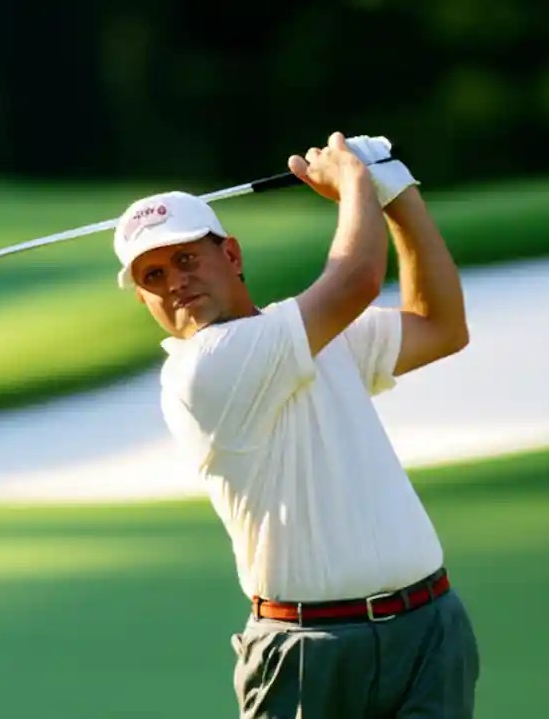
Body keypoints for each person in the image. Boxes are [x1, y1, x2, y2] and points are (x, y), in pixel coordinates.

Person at [111, 132, 479, 718]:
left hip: (428, 630)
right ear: (144, 300)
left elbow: (441, 327)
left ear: (230, 255)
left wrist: (399, 191)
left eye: (185, 259)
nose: (174, 281)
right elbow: (356, 279)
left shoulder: (307, 336)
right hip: (309, 654)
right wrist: (355, 179)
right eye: (152, 276)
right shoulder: (202, 371)